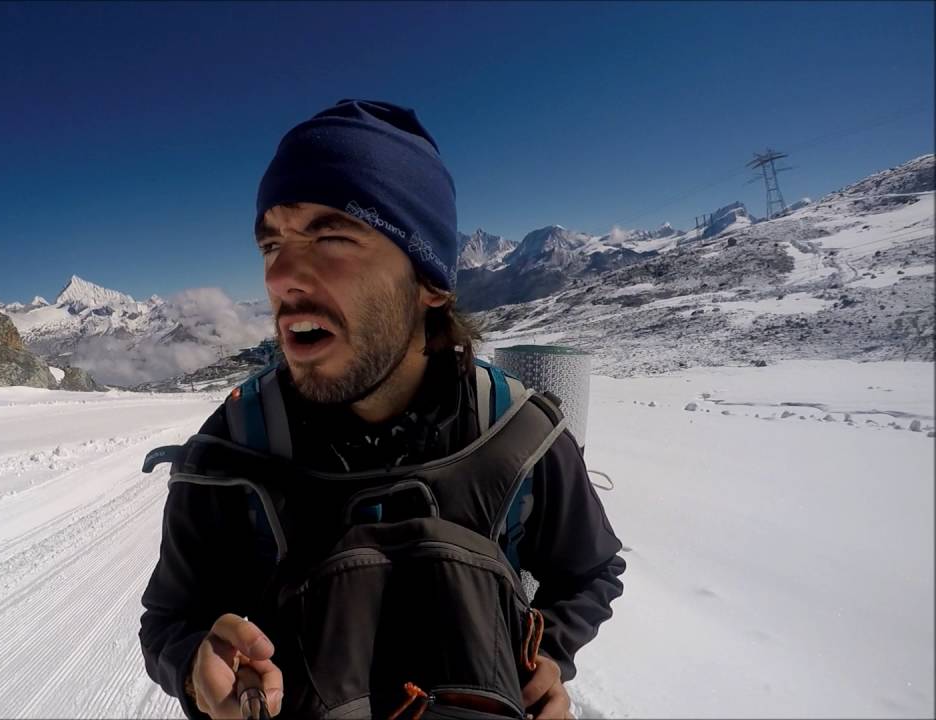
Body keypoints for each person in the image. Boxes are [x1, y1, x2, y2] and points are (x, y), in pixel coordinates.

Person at [139, 99, 624, 720]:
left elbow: (590, 570)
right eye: (271, 244)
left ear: (430, 282)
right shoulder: (231, 454)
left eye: (332, 236)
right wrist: (194, 667)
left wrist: (548, 655)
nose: (282, 275)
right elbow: (171, 617)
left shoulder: (519, 436)